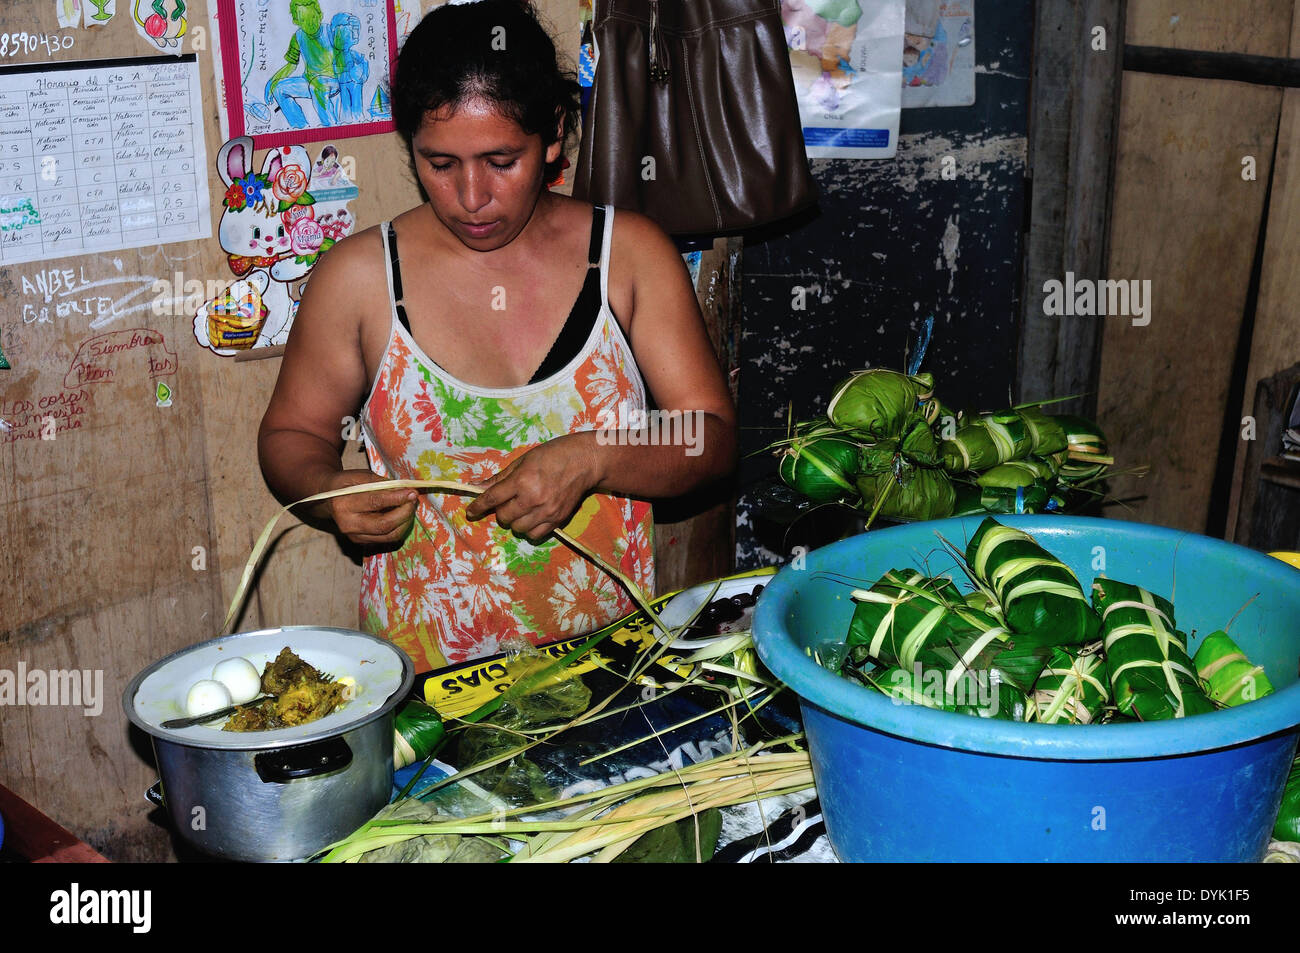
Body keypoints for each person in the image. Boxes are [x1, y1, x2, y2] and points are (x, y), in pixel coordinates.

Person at [258, 0, 737, 672]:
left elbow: (710, 436)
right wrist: (330, 490)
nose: (471, 196)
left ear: (553, 136)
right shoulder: (361, 279)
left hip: (608, 671)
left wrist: (594, 456)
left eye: (500, 160)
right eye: (440, 164)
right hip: (427, 689)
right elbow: (291, 436)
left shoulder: (628, 257)